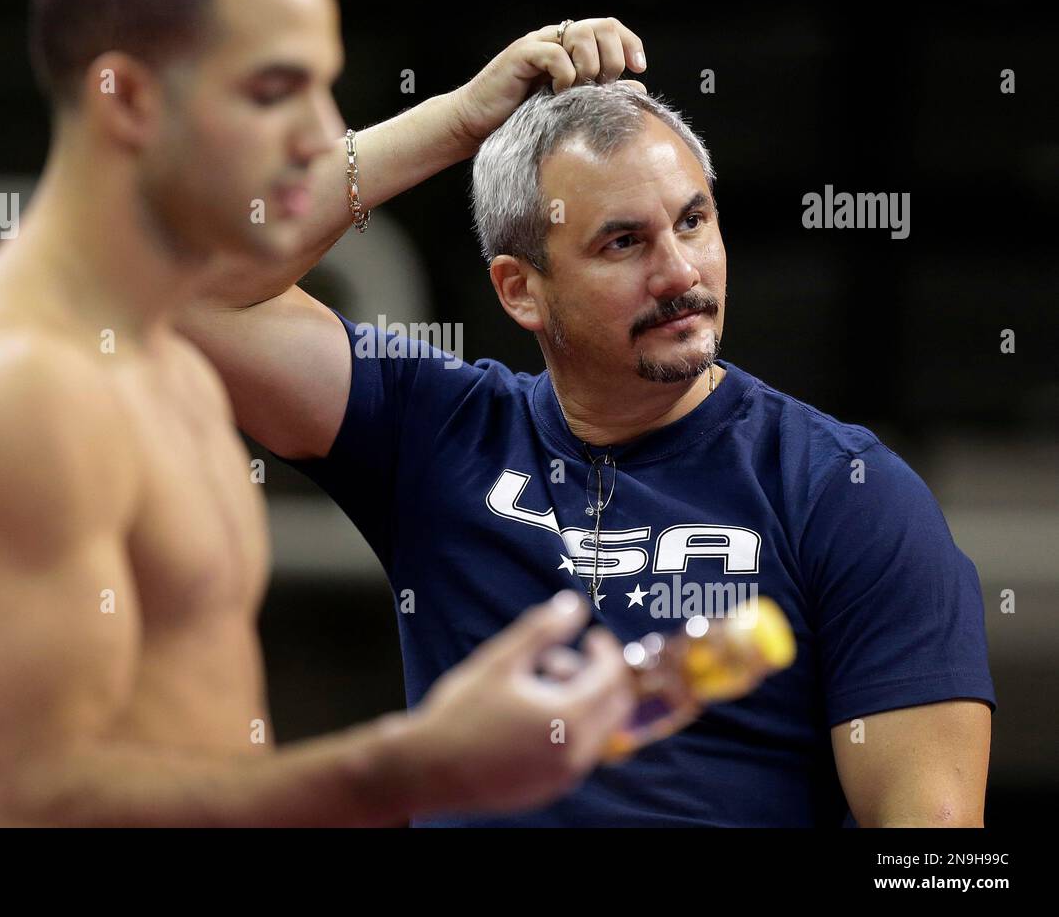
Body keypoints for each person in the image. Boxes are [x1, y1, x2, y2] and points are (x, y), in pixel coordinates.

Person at [0, 0, 660, 827]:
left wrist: (458, 118)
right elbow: (38, 806)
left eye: (325, 84)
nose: (320, 132)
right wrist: (421, 765)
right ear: (131, 99)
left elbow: (230, 278)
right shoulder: (13, 385)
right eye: (274, 90)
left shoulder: (161, 353)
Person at [181, 72, 996, 827]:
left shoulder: (846, 489)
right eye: (623, 243)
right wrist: (456, 120)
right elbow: (192, 285)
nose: (680, 272)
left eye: (693, 220)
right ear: (519, 289)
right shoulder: (435, 430)